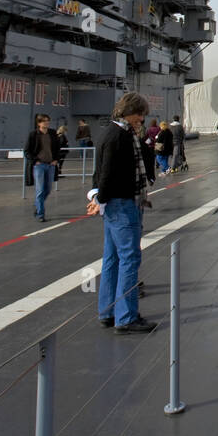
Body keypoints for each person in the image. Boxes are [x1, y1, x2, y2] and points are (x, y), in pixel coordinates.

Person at [87, 92, 157, 334]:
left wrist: (98, 198)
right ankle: (126, 316)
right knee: (130, 259)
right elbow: (107, 173)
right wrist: (101, 198)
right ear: (129, 112)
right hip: (123, 205)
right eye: (140, 114)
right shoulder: (121, 137)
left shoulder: (109, 133)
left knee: (112, 259)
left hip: (113, 205)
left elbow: (100, 173)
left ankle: (107, 311)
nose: (141, 119)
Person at [22, 114, 62, 222]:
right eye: (44, 121)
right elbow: (26, 151)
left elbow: (58, 148)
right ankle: (40, 214)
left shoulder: (53, 133)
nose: (46, 123)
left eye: (48, 121)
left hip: (51, 165)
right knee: (40, 190)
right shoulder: (33, 135)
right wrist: (35, 161)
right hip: (39, 166)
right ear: (39, 123)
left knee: (48, 189)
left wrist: (56, 160)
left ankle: (37, 205)